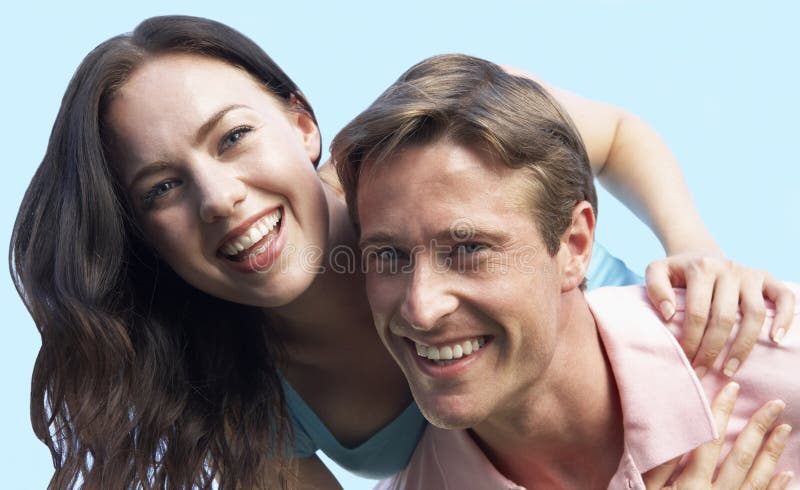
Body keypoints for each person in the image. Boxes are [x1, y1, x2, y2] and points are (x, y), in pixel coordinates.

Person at [10, 16, 793, 488]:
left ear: (302, 123)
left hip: (657, 379)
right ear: (145, 235)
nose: (218, 198)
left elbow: (616, 135)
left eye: (234, 136)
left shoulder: (426, 149)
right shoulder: (247, 403)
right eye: (160, 189)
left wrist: (694, 247)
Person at [330, 53, 800, 489]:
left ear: (575, 246)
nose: (422, 309)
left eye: (470, 248)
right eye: (389, 257)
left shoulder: (777, 357)